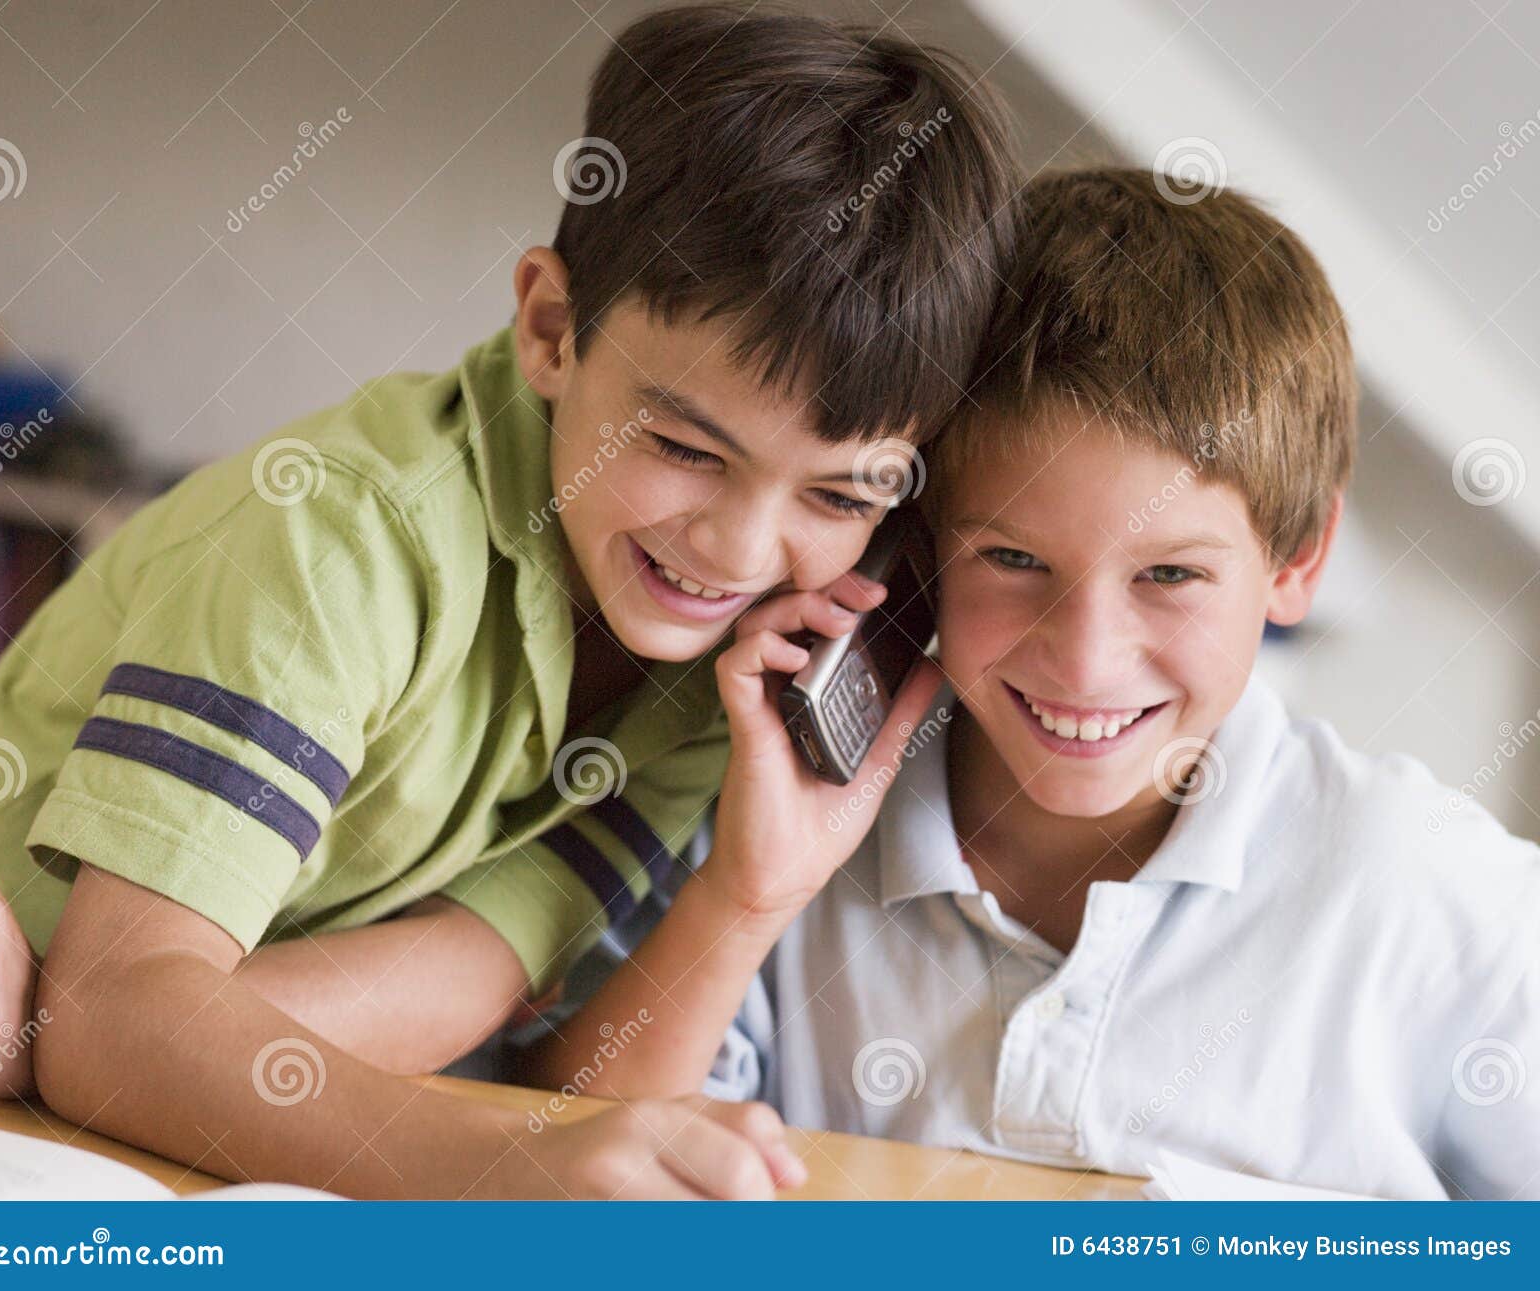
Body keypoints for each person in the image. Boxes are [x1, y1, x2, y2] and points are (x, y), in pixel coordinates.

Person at [0, 3, 1020, 1199]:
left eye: (837, 493)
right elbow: (119, 1024)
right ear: (552, 329)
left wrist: (90, 1027)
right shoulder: (342, 535)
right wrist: (510, 1168)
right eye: (686, 447)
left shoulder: (726, 666)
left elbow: (476, 970)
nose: (740, 547)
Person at [524, 167, 1539, 1200]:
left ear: (1295, 562)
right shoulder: (769, 825)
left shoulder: (1438, 905)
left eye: (1170, 575)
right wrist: (746, 899)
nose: (1086, 658)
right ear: (911, 556)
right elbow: (554, 1179)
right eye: (1011, 560)